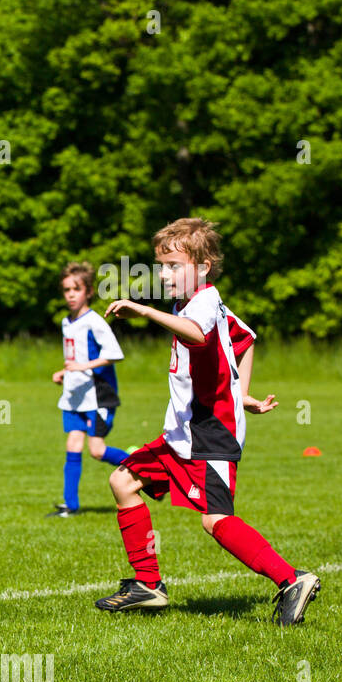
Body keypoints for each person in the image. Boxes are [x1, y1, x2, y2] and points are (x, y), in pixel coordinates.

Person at [96, 217, 319, 624]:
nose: (164, 274)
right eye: (160, 265)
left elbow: (197, 334)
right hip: (182, 433)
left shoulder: (202, 302)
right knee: (123, 480)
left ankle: (291, 580)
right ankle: (148, 584)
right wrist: (242, 391)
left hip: (209, 435)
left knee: (215, 520)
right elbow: (246, 338)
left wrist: (143, 310)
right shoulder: (196, 301)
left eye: (174, 266)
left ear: (202, 267)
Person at [49, 261, 128, 517]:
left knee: (96, 450)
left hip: (98, 396)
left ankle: (149, 469)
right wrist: (65, 372)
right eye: (66, 289)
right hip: (74, 396)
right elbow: (75, 358)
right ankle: (70, 506)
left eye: (76, 289)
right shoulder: (66, 322)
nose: (70, 294)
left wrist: (82, 366)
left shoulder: (95, 321)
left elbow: (115, 354)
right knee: (72, 445)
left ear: (89, 291)